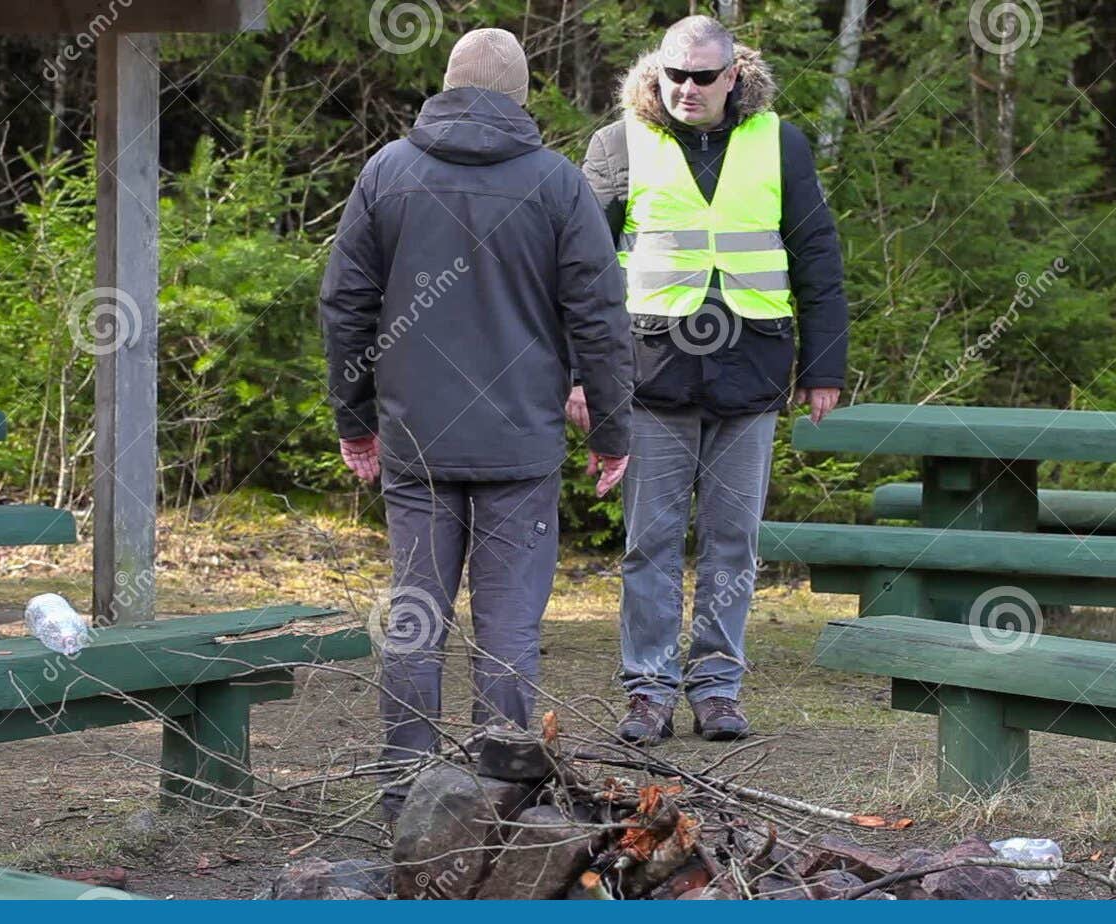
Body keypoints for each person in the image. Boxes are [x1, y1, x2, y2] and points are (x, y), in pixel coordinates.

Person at [320, 28, 633, 815]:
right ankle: (499, 801)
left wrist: (355, 420)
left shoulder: (387, 173)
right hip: (519, 447)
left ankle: (405, 799)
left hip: (415, 442)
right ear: (521, 98)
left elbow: (345, 307)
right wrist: (612, 432)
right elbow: (600, 317)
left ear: (447, 85)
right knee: (507, 631)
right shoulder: (558, 185)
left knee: (416, 618)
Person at [571, 15, 849, 744]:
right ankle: (649, 692)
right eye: (674, 75)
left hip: (751, 375)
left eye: (702, 77)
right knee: (650, 544)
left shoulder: (779, 142)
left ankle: (719, 689)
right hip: (650, 378)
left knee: (733, 544)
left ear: (734, 76)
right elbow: (578, 274)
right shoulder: (616, 143)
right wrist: (578, 376)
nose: (686, 89)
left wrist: (824, 367)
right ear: (657, 73)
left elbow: (817, 255)